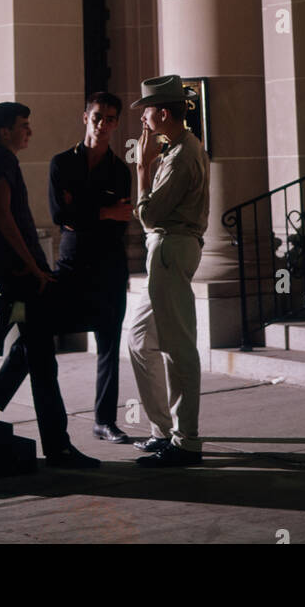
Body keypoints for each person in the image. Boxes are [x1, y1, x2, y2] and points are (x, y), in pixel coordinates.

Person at [0, 100, 99, 469]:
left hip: (20, 279)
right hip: (21, 278)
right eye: (23, 125)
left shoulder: (4, 161)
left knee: (32, 345)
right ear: (4, 132)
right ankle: (58, 446)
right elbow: (2, 217)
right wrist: (34, 268)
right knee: (43, 360)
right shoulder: (1, 163)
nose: (29, 131)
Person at [127, 74, 210, 468]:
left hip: (171, 248)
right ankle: (163, 430)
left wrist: (142, 168)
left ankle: (186, 441)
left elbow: (149, 215)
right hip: (164, 249)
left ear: (162, 113)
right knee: (141, 339)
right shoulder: (177, 148)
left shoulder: (182, 155)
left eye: (146, 112)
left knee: (178, 347)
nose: (142, 119)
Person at [48, 92, 133, 443]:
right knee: (39, 331)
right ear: (86, 117)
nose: (103, 124)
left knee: (109, 344)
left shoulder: (120, 170)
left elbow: (123, 219)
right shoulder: (61, 164)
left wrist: (83, 211)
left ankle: (104, 421)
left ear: (116, 124)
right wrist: (103, 210)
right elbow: (60, 216)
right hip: (71, 264)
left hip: (110, 265)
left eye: (110, 119)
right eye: (98, 116)